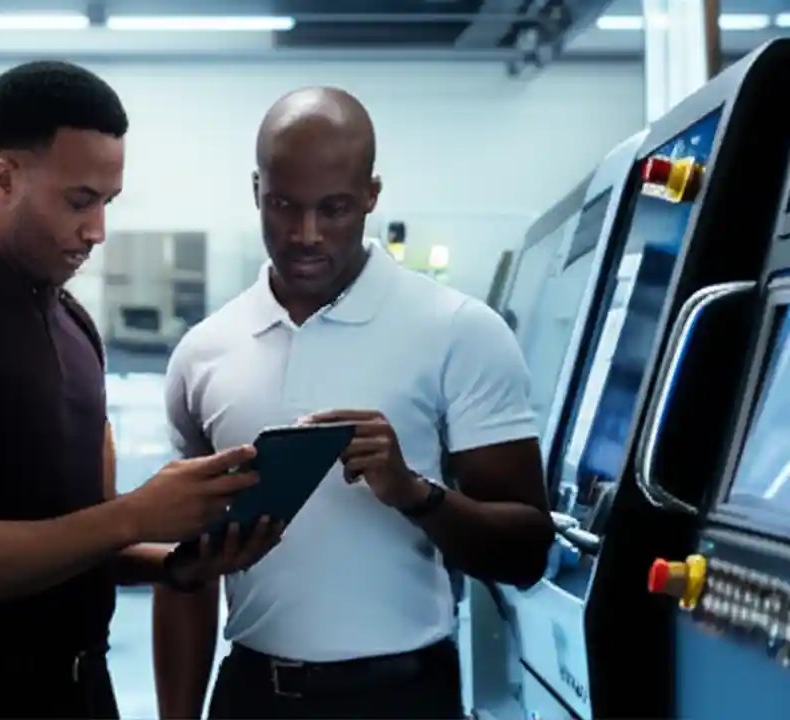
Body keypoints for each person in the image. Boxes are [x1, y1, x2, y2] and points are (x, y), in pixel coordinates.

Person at [0, 60, 281, 720]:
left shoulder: (73, 324)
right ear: (3, 178)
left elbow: (84, 539)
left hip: (79, 690)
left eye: (107, 202)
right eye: (79, 201)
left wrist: (173, 564)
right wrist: (138, 513)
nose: (97, 230)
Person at [152, 87, 554, 720]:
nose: (305, 234)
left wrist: (412, 491)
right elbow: (184, 572)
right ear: (257, 189)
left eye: (334, 209)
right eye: (284, 206)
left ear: (371, 194)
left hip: (402, 698)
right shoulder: (204, 352)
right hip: (254, 695)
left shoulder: (458, 330)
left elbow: (527, 552)